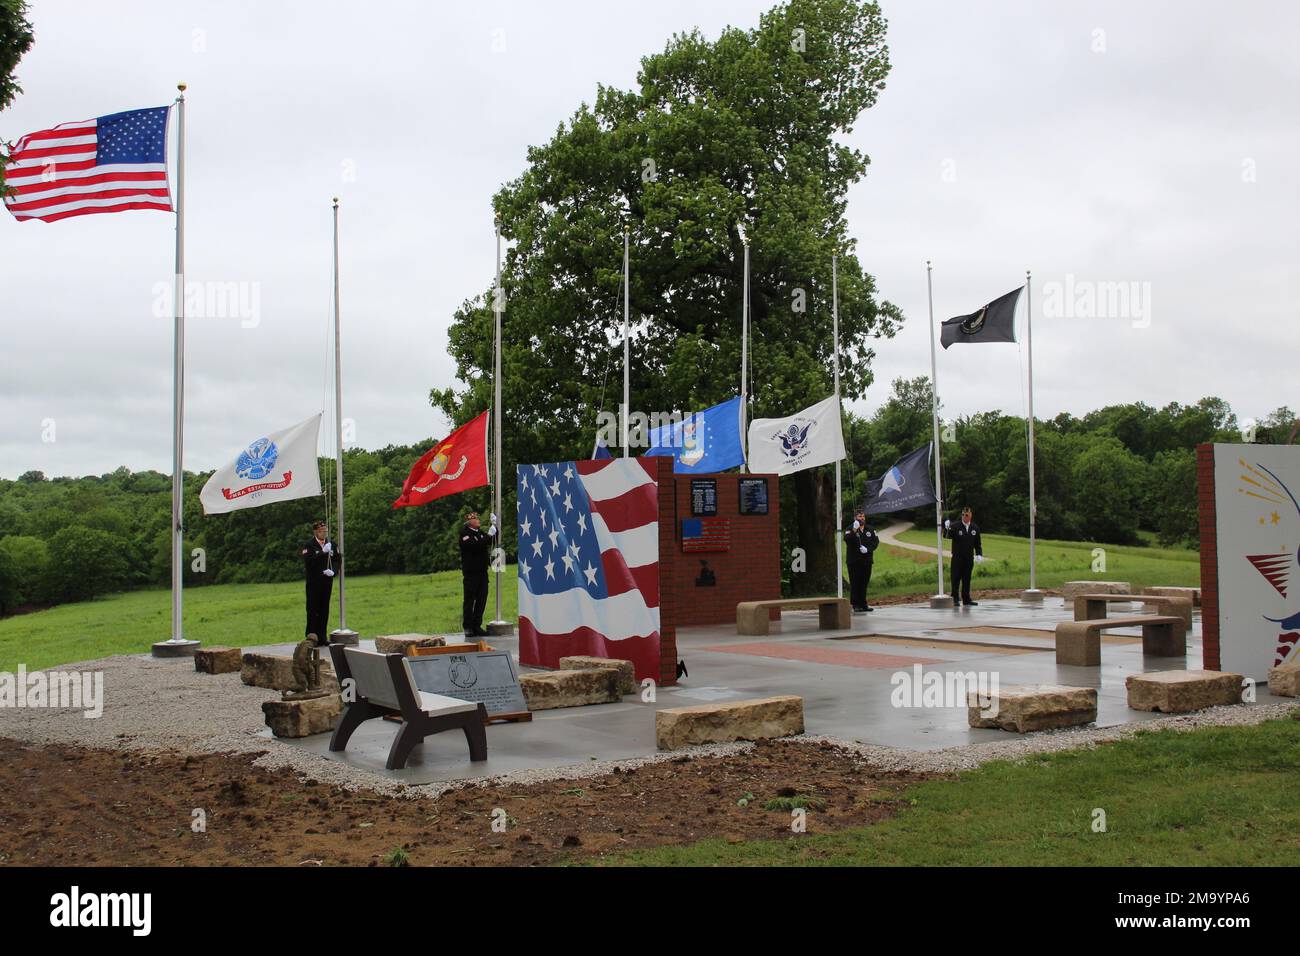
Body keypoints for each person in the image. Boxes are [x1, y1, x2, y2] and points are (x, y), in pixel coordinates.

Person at [301, 519, 338, 644]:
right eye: (321, 531)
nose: (324, 533)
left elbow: (338, 559)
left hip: (326, 582)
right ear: (315, 531)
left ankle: (322, 636)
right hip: (314, 583)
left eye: (325, 531)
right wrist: (323, 552)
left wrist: (334, 571)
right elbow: (309, 562)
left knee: (324, 609)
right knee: (313, 609)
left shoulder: (331, 544)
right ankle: (311, 636)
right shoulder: (309, 545)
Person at [460, 510, 496, 637]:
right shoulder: (465, 534)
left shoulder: (480, 533)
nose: (478, 520)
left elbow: (490, 540)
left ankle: (477, 625)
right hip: (471, 573)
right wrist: (489, 535)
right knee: (470, 600)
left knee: (482, 599)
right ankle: (468, 626)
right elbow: (475, 546)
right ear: (470, 522)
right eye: (476, 519)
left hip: (482, 572)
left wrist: (495, 526)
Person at [944, 506, 984, 607]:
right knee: (955, 578)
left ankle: (966, 598)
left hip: (969, 557)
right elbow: (947, 536)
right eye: (963, 515)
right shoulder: (955, 526)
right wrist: (946, 528)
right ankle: (955, 598)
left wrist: (979, 554)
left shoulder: (975, 528)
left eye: (966, 515)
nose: (964, 517)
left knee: (967, 578)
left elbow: (978, 544)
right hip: (958, 557)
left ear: (970, 515)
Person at [844, 511, 879, 613]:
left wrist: (868, 549)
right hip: (854, 561)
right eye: (860, 516)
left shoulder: (870, 529)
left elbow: (875, 542)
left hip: (867, 560)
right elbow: (847, 539)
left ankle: (863, 604)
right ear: (855, 518)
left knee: (864, 583)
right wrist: (854, 529)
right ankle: (855, 604)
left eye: (863, 516)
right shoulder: (850, 528)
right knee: (855, 583)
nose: (862, 518)